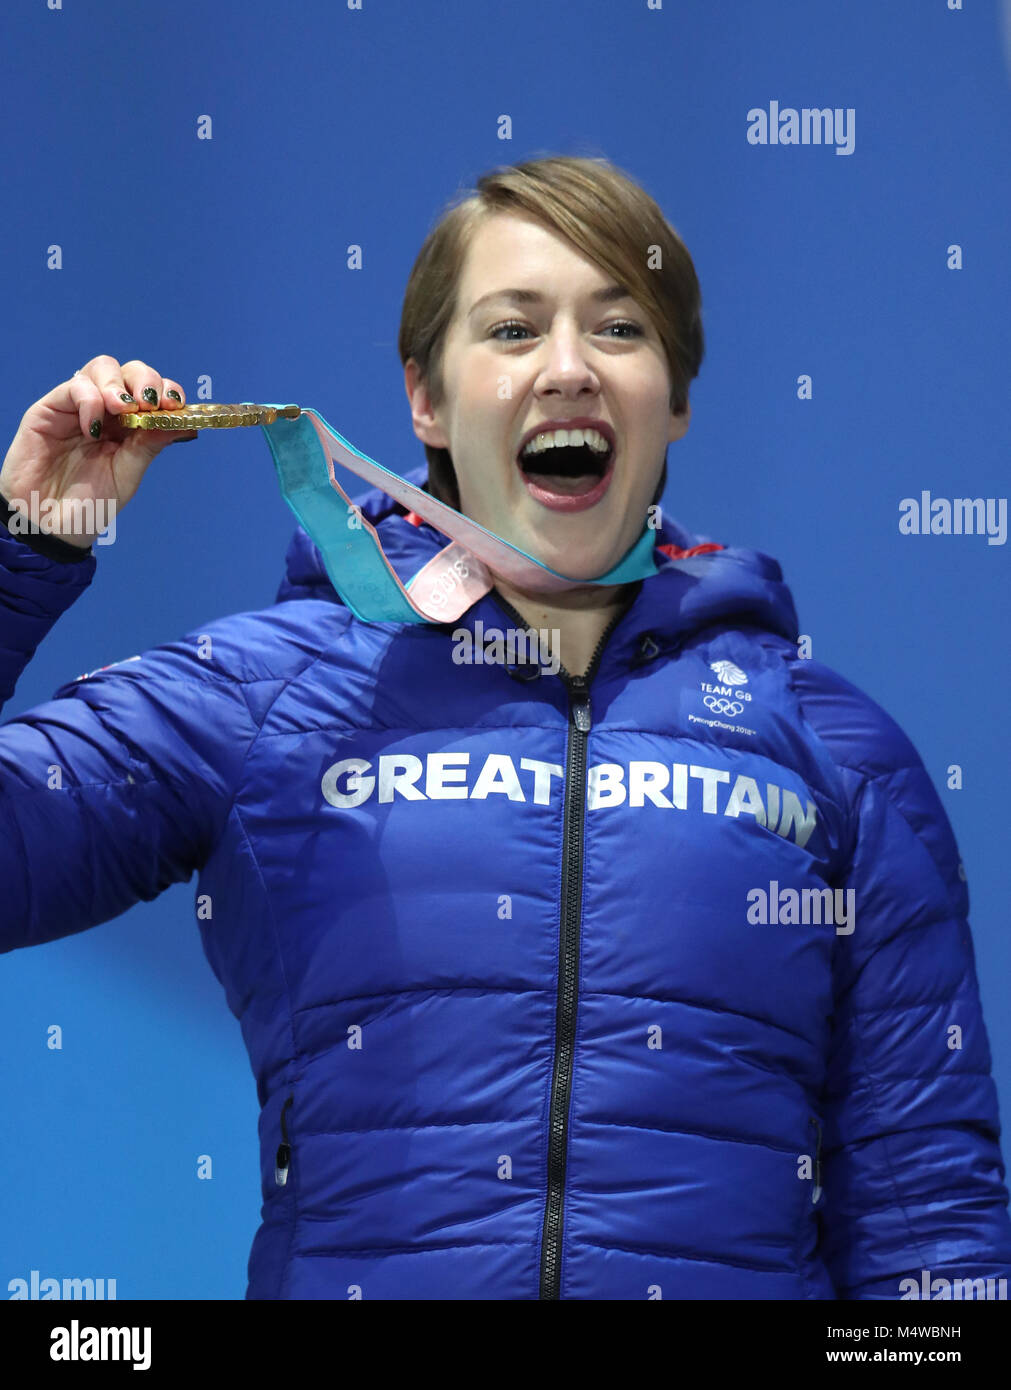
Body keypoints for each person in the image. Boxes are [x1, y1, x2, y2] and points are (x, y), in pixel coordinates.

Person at [2, 155, 1009, 1302]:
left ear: (676, 395)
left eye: (620, 329)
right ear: (425, 397)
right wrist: (26, 542)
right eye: (513, 329)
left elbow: (930, 1214)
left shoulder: (833, 749)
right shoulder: (264, 697)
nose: (569, 368)